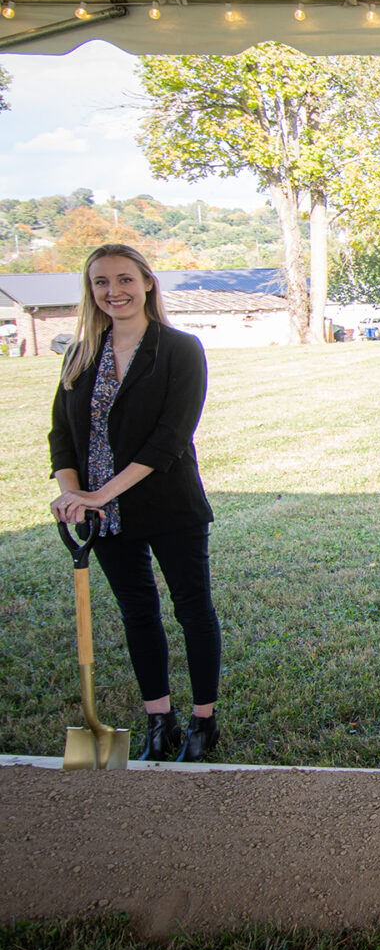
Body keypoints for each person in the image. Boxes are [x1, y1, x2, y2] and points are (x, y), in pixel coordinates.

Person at [48, 243, 222, 762]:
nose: (113, 292)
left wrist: (100, 493)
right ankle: (159, 718)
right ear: (91, 291)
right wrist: (71, 493)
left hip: (169, 506)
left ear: (147, 283)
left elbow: (170, 437)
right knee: (137, 613)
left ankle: (203, 721)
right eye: (101, 282)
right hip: (105, 518)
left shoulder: (179, 349)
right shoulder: (80, 355)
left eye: (124, 279)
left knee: (193, 609)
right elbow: (61, 434)